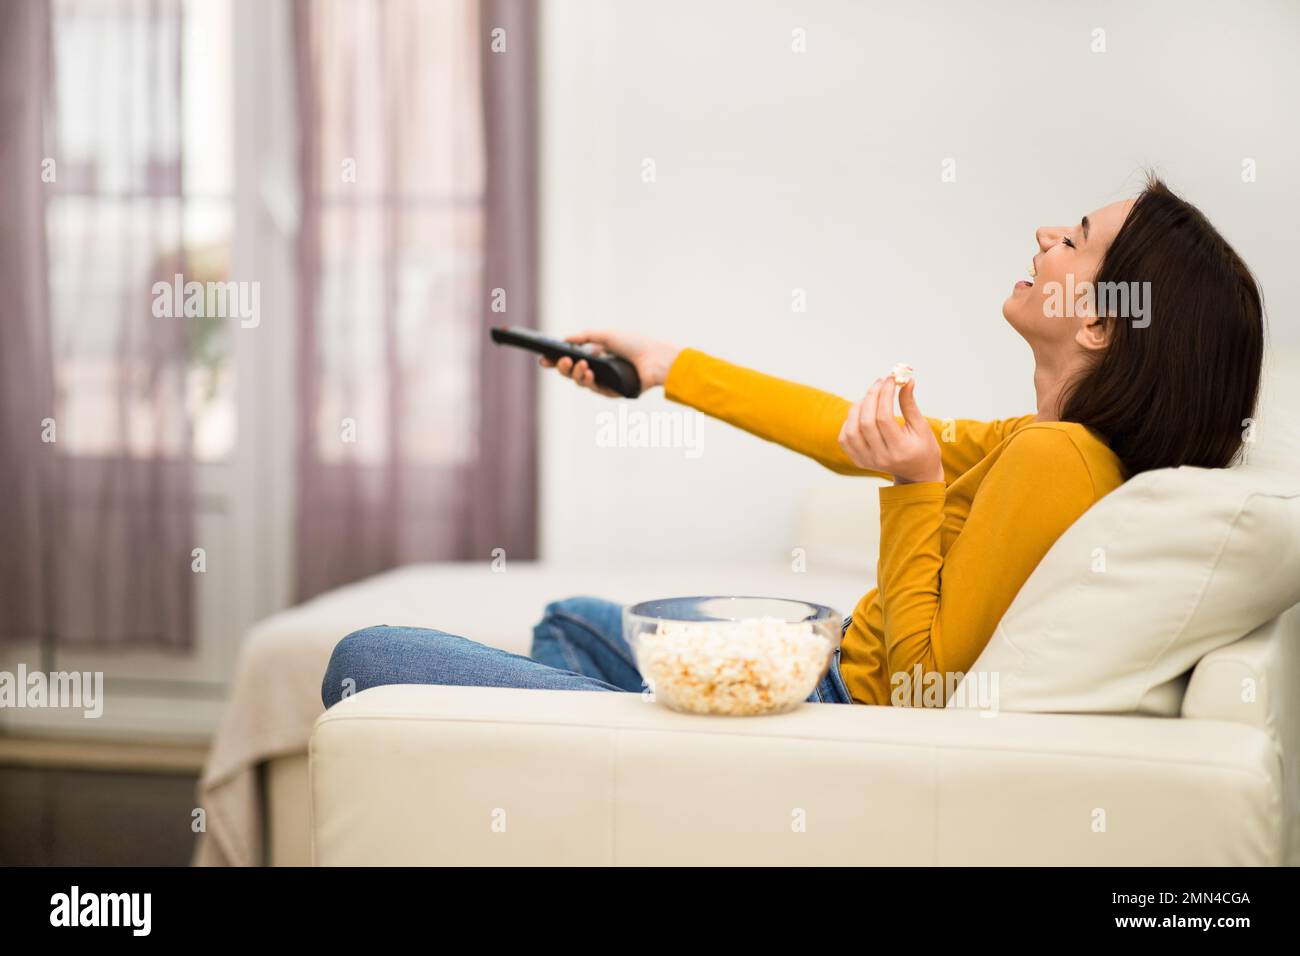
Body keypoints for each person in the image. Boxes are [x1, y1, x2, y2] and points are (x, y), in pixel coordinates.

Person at [322, 177, 1264, 709]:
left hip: (836, 711)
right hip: (825, 674)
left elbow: (921, 692)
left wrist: (914, 488)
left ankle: (629, 755)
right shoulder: (1046, 440)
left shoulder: (1056, 461)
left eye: (1078, 239)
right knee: (573, 620)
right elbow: (847, 437)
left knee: (369, 658)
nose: (1046, 231)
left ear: (1101, 324)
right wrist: (667, 366)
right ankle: (616, 758)